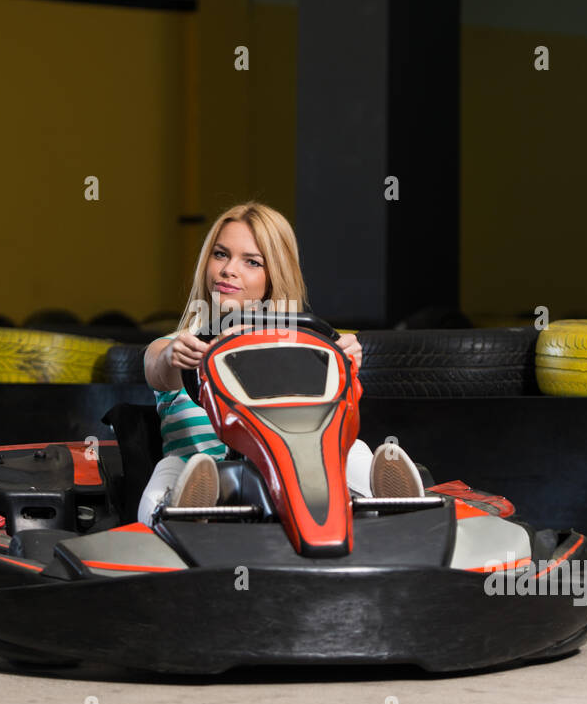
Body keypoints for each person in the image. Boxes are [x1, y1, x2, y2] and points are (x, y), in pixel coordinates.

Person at [137, 202, 424, 526]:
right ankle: (176, 517)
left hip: (285, 478)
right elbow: (157, 369)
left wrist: (342, 360)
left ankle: (392, 507)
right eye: (220, 255)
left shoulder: (300, 347)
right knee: (170, 469)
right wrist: (172, 357)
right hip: (209, 482)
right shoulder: (178, 346)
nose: (229, 269)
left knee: (353, 450)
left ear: (274, 275)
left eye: (251, 262)